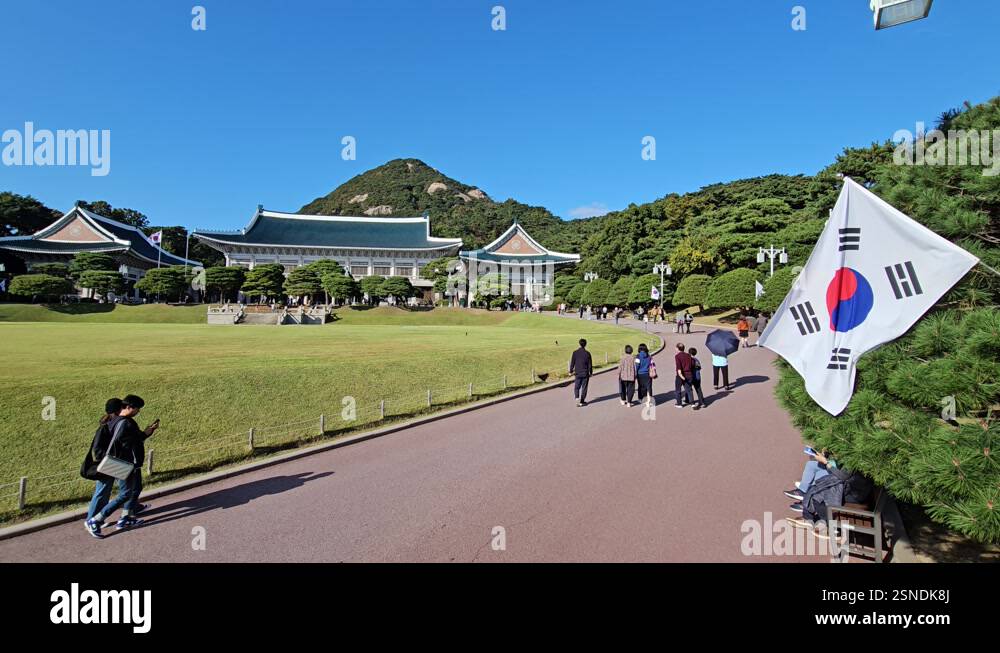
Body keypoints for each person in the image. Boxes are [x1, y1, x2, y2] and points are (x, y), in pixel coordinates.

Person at [84, 395, 159, 535]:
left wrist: (146, 433)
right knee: (124, 494)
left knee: (130, 491)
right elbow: (124, 444)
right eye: (137, 409)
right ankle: (95, 520)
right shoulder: (126, 423)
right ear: (129, 407)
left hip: (121, 463)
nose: (138, 412)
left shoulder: (117, 421)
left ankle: (125, 517)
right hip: (123, 464)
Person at [569, 338, 593, 407]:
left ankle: (577, 399)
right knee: (584, 388)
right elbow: (590, 365)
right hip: (585, 373)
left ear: (579, 344)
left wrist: (570, 371)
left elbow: (572, 363)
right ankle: (582, 401)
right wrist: (591, 372)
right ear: (585, 344)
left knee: (577, 387)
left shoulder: (575, 352)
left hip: (578, 373)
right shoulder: (587, 353)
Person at [673, 343, 694, 408]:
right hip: (689, 374)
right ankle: (692, 403)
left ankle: (679, 404)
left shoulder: (677, 356)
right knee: (689, 389)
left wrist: (681, 376)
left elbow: (679, 367)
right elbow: (692, 365)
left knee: (678, 390)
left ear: (677, 348)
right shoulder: (688, 355)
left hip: (681, 375)